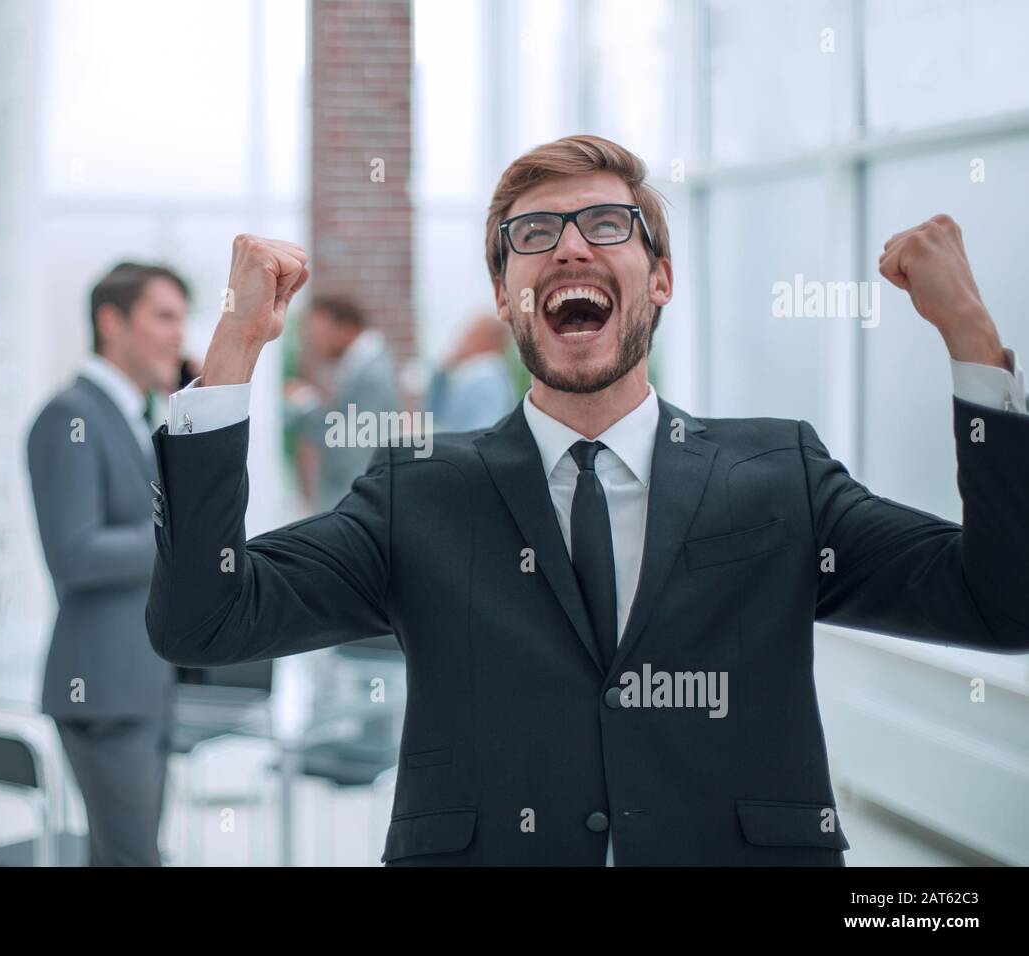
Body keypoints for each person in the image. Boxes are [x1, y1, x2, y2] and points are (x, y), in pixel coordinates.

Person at [144, 135, 1029, 866]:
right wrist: (232, 351)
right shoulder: (418, 493)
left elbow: (1003, 600)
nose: (570, 246)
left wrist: (973, 344)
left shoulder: (778, 472)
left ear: (660, 280)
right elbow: (207, 621)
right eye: (534, 234)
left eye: (607, 224)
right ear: (504, 296)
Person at [27, 261, 189, 866]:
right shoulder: (69, 415)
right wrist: (184, 543)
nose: (179, 335)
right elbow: (73, 553)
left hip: (144, 685)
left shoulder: (133, 415)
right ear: (110, 322)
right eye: (164, 316)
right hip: (103, 691)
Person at [283, 296, 401, 511]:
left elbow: (348, 451)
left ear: (345, 329)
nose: (311, 342)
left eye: (317, 333)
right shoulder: (359, 371)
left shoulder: (372, 376)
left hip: (352, 510)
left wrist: (307, 406)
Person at [424, 311, 519, 431]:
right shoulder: (480, 375)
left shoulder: (485, 378)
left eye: (471, 332)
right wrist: (444, 369)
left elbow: (483, 431)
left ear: (485, 340)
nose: (463, 337)